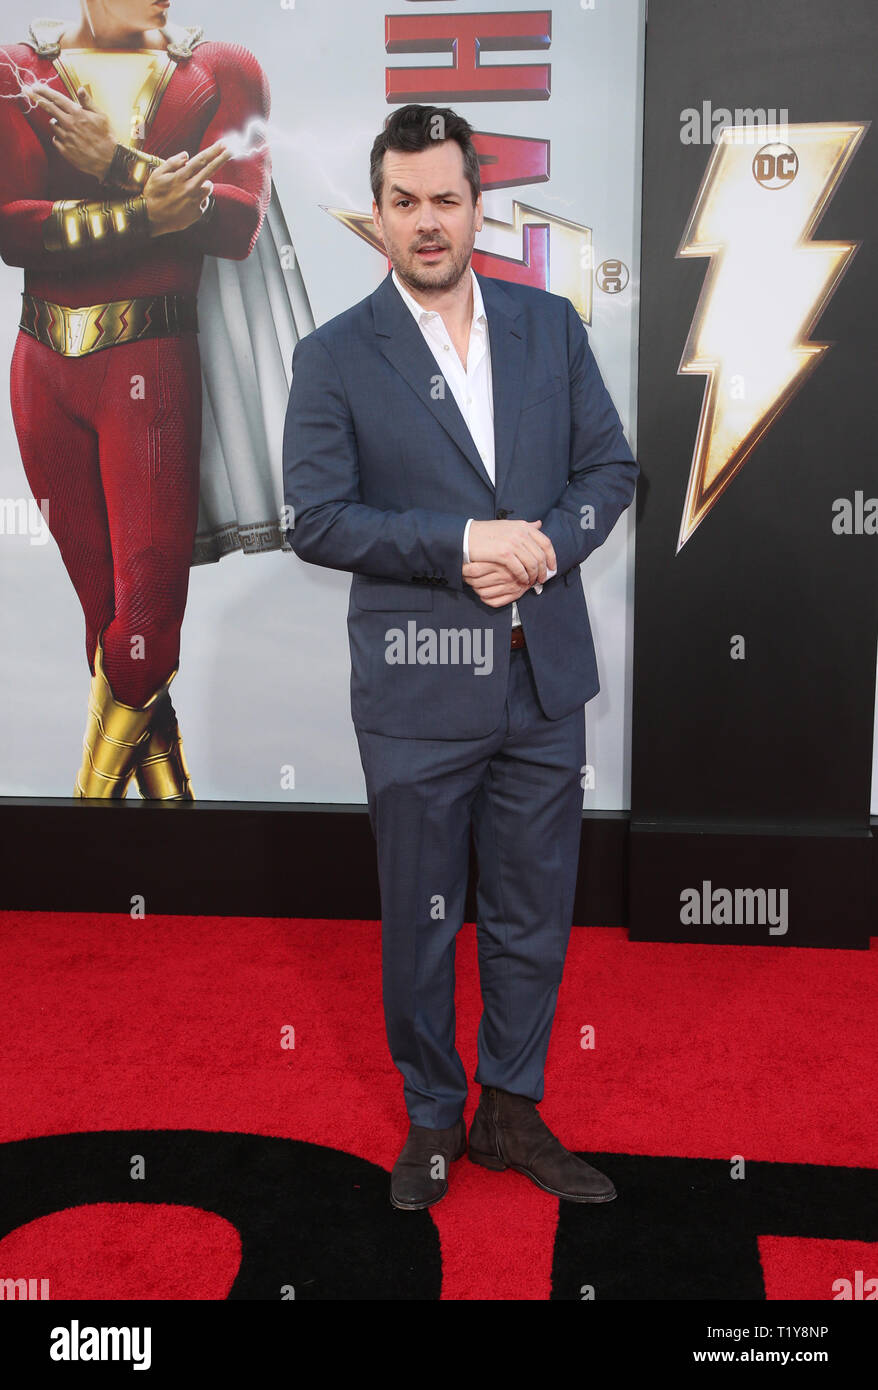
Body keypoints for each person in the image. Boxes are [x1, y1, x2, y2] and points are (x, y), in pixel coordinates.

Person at [283, 104, 639, 1210]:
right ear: (376, 214)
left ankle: (511, 1110)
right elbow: (316, 518)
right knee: (422, 920)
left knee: (534, 912)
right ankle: (432, 1114)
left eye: (447, 198)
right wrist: (459, 548)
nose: (427, 222)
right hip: (415, 692)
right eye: (405, 202)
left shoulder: (550, 325)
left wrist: (538, 552)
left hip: (542, 680)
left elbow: (608, 473)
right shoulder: (334, 354)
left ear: (479, 205)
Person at [0, 3, 283, 798]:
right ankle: (171, 814)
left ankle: (86, 815)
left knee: (145, 635)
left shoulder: (226, 68)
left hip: (151, 368)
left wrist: (119, 165)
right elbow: (11, 230)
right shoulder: (17, 68)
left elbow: (235, 223)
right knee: (106, 629)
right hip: (42, 371)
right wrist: (146, 212)